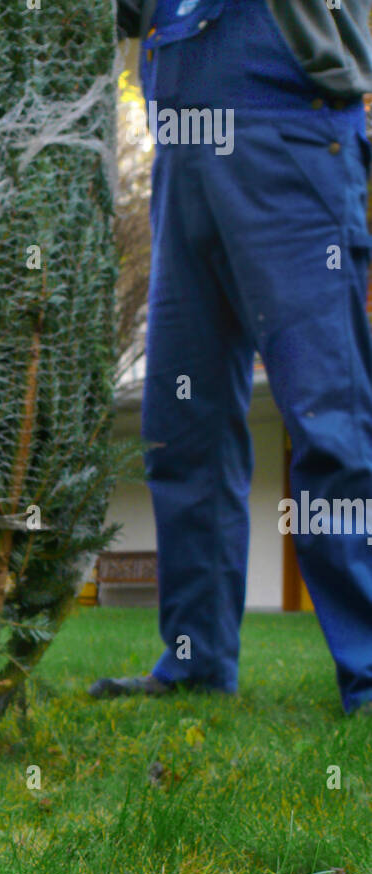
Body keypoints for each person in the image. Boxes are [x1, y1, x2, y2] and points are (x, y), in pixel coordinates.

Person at [92, 0, 372, 712]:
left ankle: (368, 670)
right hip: (181, 161)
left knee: (327, 418)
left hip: (290, 136)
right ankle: (196, 659)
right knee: (185, 428)